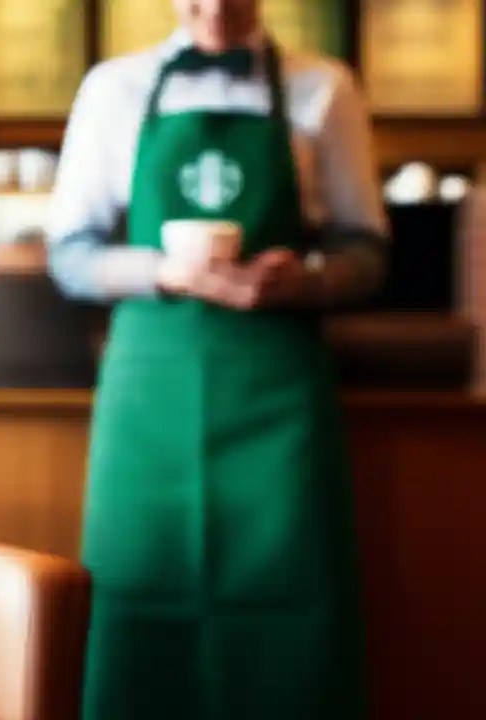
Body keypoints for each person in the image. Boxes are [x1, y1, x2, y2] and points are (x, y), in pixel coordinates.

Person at [46, 1, 387, 717]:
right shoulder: (113, 88)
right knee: (135, 589)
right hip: (149, 392)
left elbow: (366, 251)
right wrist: (166, 272)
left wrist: (307, 279)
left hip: (278, 391)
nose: (215, 10)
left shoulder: (325, 88)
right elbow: (71, 257)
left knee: (290, 588)